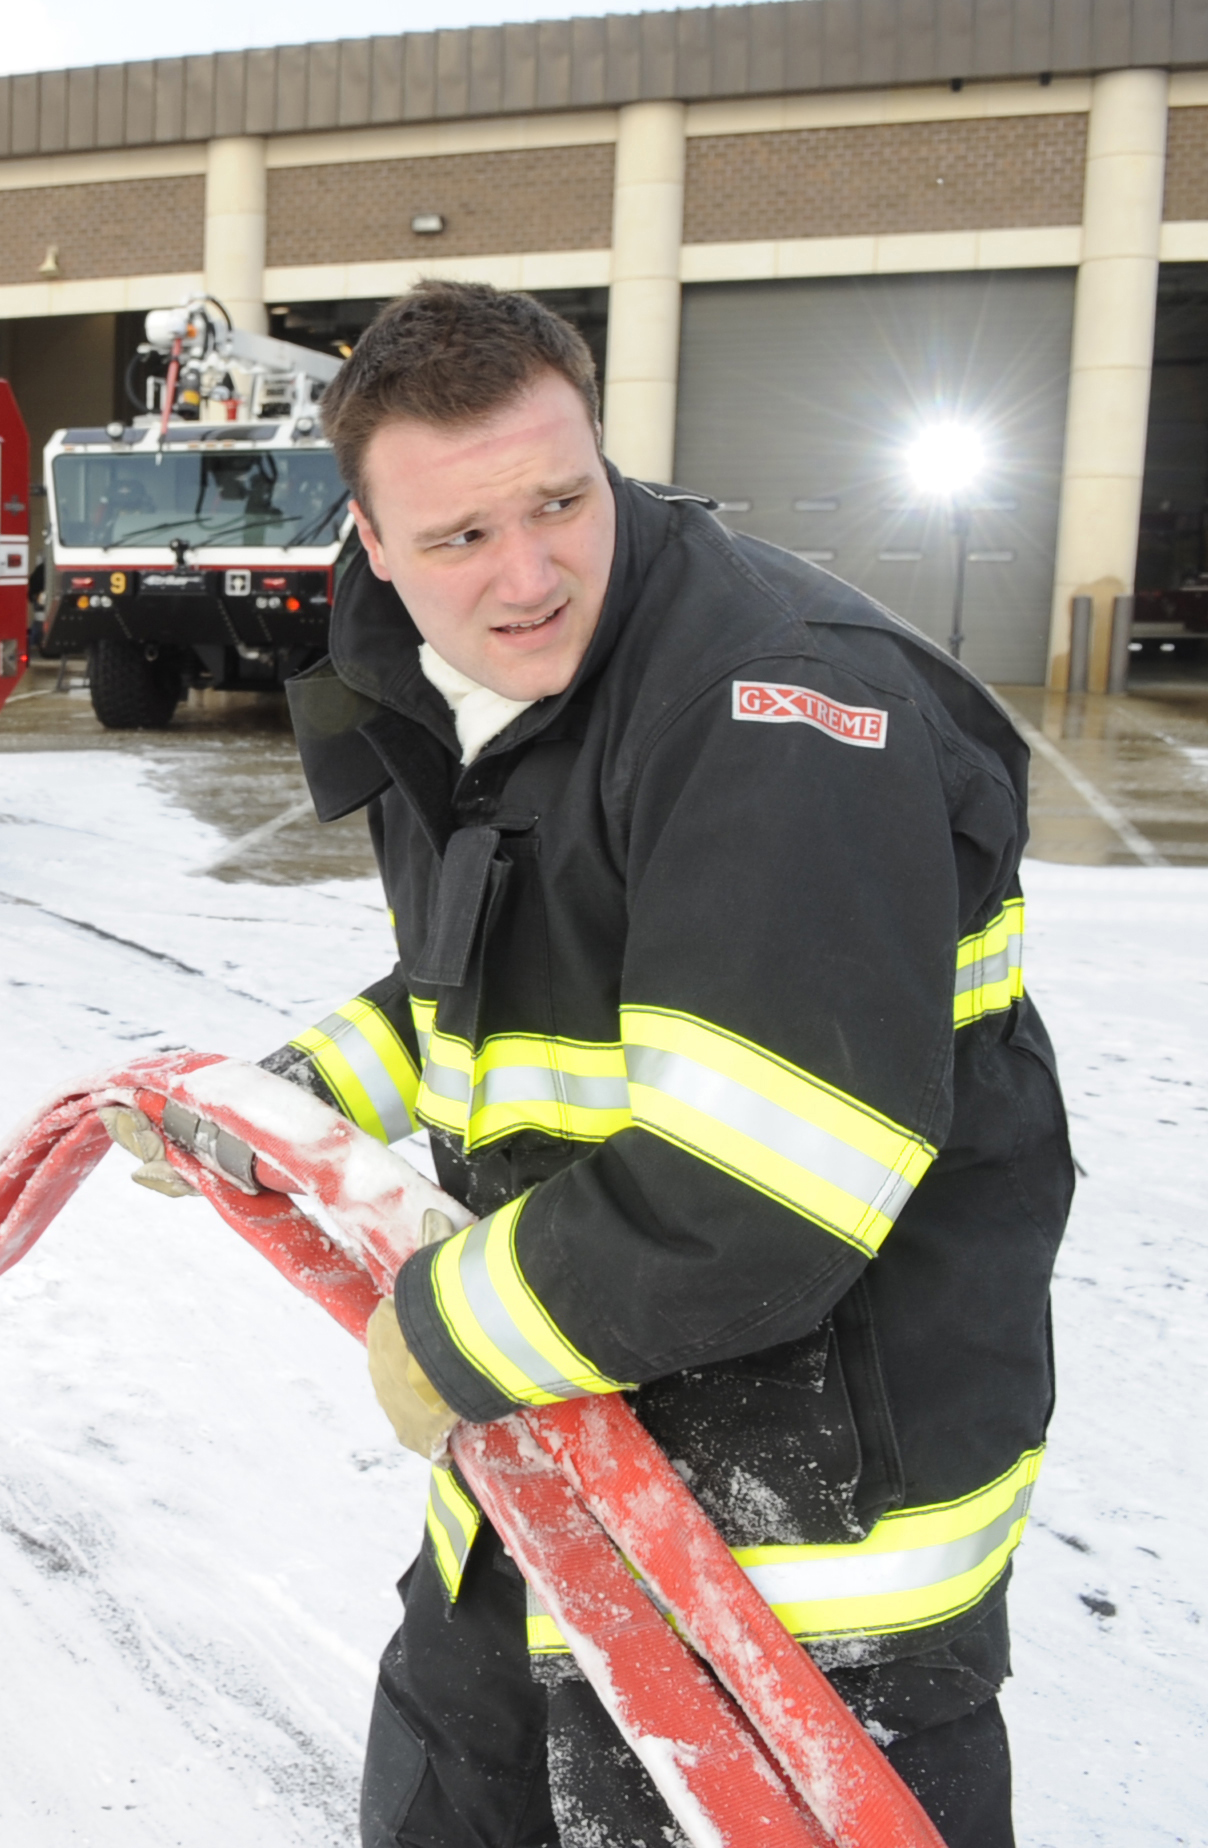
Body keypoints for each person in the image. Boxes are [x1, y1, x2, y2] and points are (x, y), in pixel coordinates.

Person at [125, 281, 1066, 1845]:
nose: (528, 572)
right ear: (365, 539)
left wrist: (446, 1328)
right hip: (549, 1484)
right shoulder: (451, 674)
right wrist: (293, 1097)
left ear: (604, 455)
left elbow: (769, 1172)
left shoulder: (779, 707)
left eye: (563, 502)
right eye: (459, 538)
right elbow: (519, 968)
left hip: (802, 1572)